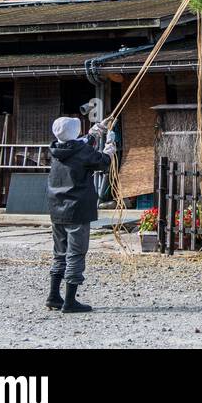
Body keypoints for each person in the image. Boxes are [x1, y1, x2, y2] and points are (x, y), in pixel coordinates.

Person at [45, 116, 115, 313]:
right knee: (76, 254)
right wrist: (110, 145)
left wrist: (97, 129)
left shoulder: (56, 150)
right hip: (77, 209)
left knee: (59, 254)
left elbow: (82, 143)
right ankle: (70, 301)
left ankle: (53, 296)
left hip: (57, 208)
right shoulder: (82, 152)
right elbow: (103, 162)